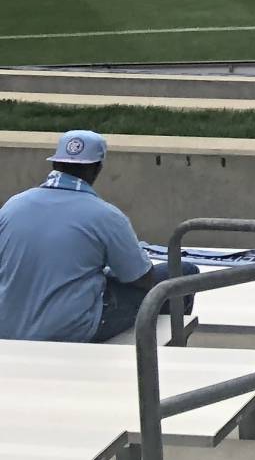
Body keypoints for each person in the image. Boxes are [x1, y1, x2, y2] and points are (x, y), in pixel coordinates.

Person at [0, 130, 156, 343]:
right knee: (180, 278)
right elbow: (141, 278)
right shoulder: (106, 216)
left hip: (7, 327)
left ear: (55, 164)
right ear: (97, 169)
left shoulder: (12, 206)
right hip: (72, 330)